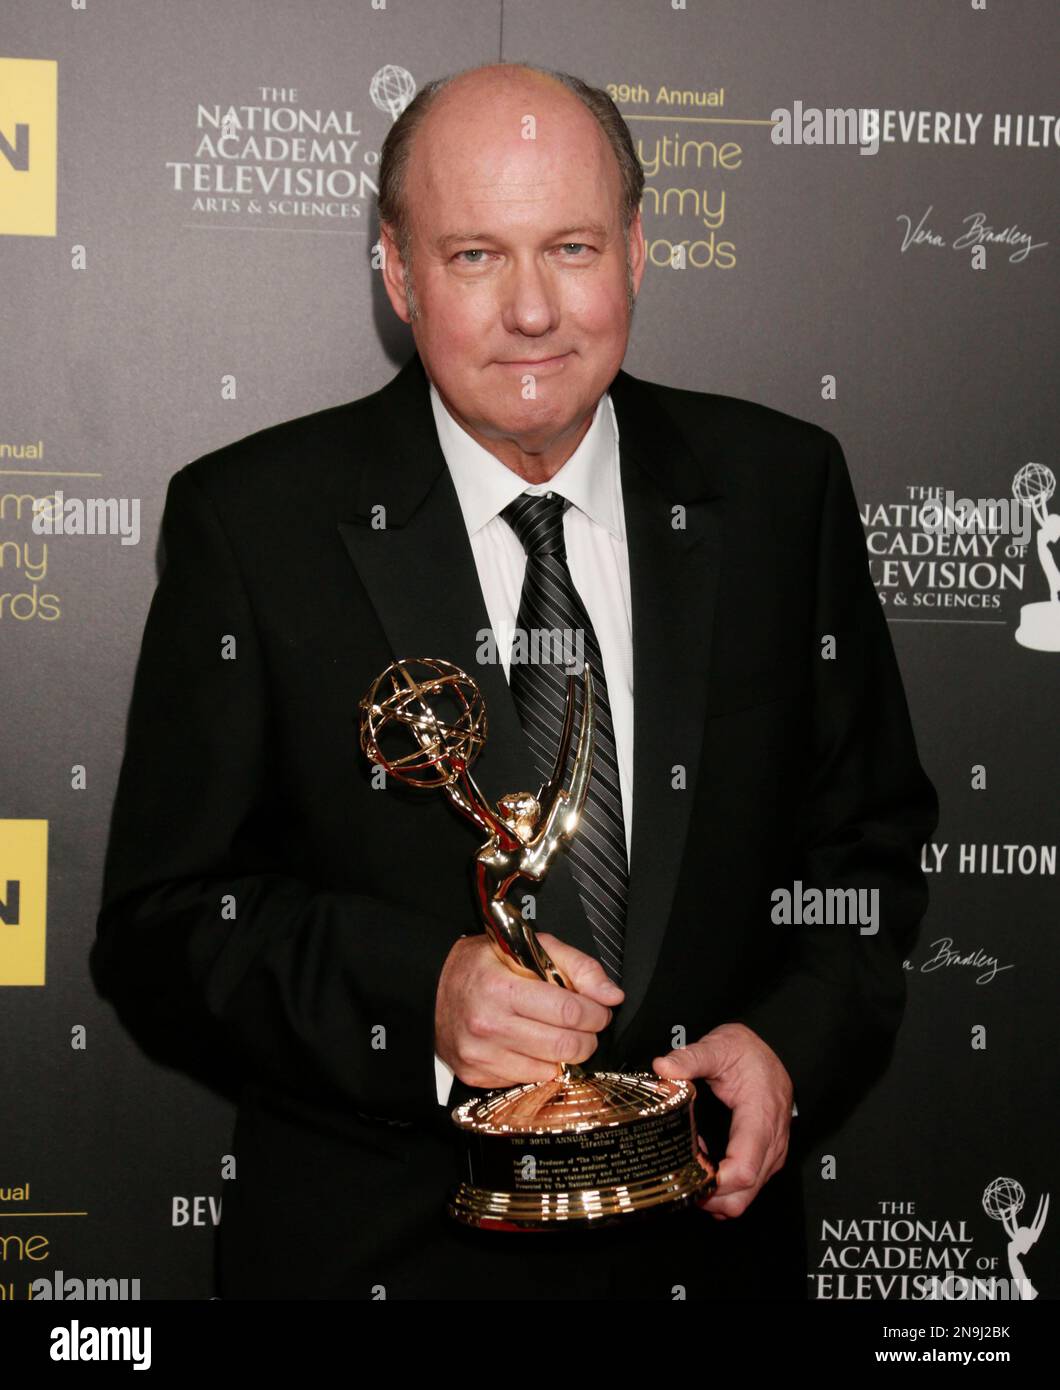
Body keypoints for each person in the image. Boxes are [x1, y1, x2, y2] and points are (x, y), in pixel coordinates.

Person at [91, 62, 938, 1300]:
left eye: (574, 247)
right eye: (477, 254)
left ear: (640, 251)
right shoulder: (252, 523)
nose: (534, 310)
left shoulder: (779, 490)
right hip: (379, 1267)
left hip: (710, 1269)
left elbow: (865, 855)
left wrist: (785, 1048)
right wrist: (418, 1000)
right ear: (397, 272)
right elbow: (166, 926)